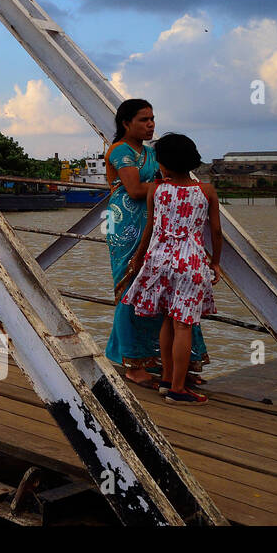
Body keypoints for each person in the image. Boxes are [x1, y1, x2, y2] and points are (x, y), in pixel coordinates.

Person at [102, 99, 209, 388]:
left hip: (158, 229)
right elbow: (135, 190)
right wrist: (180, 186)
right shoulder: (119, 151)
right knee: (132, 291)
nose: (151, 125)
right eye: (143, 120)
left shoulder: (152, 153)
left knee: (162, 293)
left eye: (152, 119)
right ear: (126, 123)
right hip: (126, 226)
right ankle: (133, 365)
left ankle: (169, 365)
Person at [122, 134, 220, 404]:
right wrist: (216, 263)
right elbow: (216, 232)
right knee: (184, 325)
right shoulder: (206, 190)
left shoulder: (157, 189)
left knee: (166, 319)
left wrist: (138, 258)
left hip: (159, 261)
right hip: (190, 263)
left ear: (163, 164)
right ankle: (178, 389)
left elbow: (151, 228)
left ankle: (166, 380)